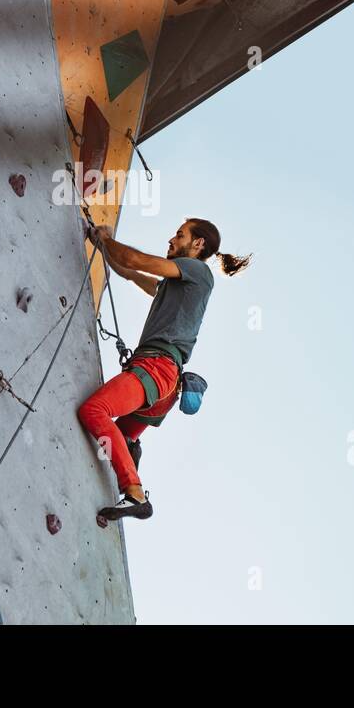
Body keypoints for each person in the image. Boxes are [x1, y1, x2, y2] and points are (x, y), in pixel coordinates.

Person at [77, 218, 251, 520]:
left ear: (198, 245)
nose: (172, 239)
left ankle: (135, 494)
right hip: (164, 386)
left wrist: (105, 239)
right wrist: (99, 244)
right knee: (115, 439)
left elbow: (134, 259)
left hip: (156, 368)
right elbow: (130, 272)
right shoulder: (174, 286)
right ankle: (130, 447)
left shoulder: (198, 271)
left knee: (94, 411)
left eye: (180, 235)